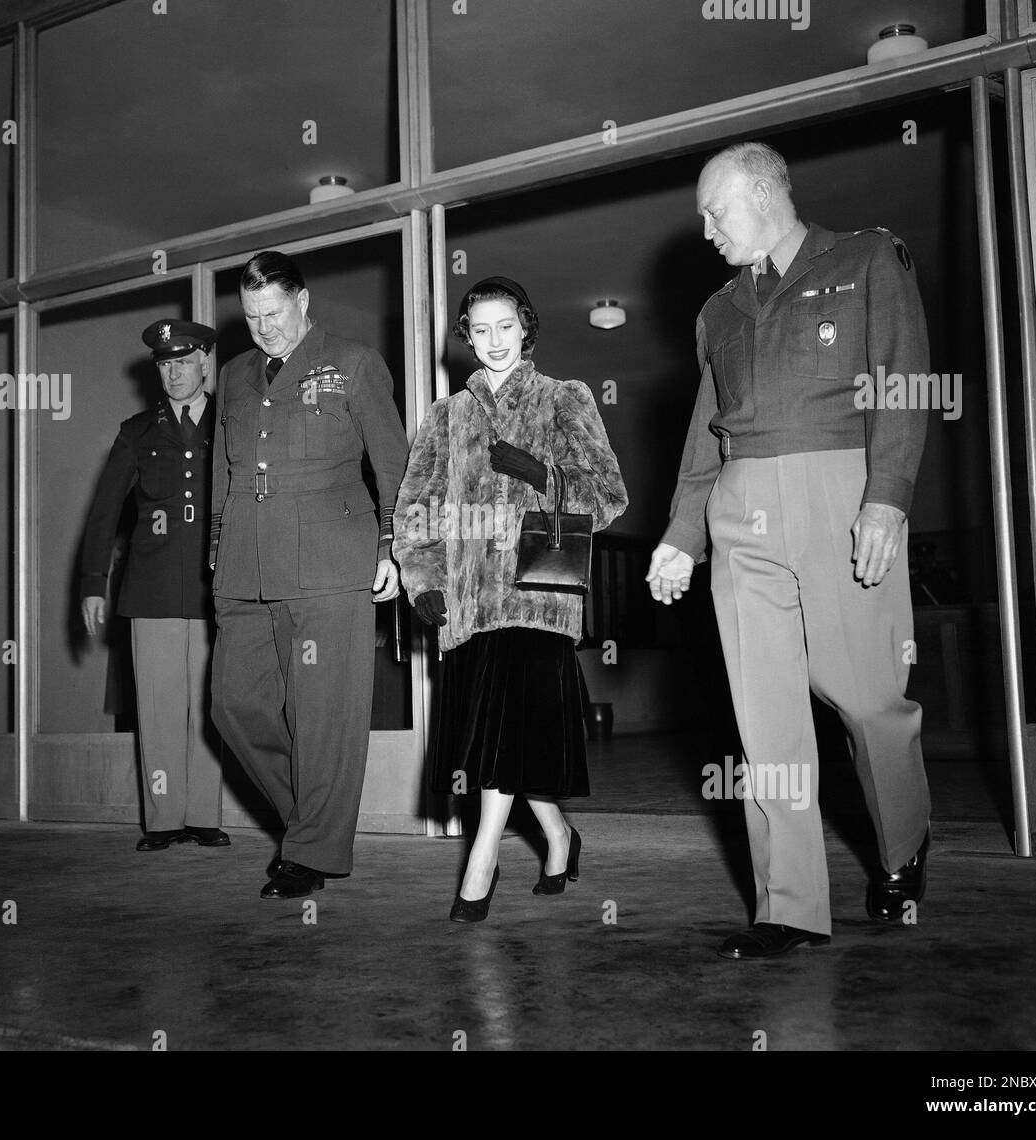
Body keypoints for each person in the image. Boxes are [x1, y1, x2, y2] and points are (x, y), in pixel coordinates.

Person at [647, 141, 932, 959]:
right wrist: (679, 536)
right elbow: (708, 436)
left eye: (716, 210)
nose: (706, 229)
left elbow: (901, 379)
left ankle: (902, 842)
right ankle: (790, 905)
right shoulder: (718, 313)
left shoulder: (868, 257)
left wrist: (888, 497)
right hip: (742, 506)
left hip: (842, 492)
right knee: (765, 718)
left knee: (869, 700)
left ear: (767, 193)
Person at [394, 276, 628, 922]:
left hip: (537, 598)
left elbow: (609, 496)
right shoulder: (446, 418)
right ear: (465, 339)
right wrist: (425, 583)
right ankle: (557, 835)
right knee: (501, 740)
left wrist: (539, 474)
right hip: (470, 604)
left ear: (526, 328)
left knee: (501, 735)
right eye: (480, 330)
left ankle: (482, 860)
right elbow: (417, 512)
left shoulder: (563, 400)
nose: (493, 341)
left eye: (506, 327)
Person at [210, 251, 408, 900]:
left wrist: (394, 545)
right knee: (234, 703)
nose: (263, 328)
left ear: (303, 301)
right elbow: (226, 471)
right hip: (245, 563)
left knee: (324, 716)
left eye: (274, 313)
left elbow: (392, 464)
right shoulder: (235, 375)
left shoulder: (352, 363)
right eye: (251, 317)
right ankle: (311, 821)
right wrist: (216, 542)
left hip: (332, 562)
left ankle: (310, 852)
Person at [80, 319, 227, 852]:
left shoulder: (232, 424)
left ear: (205, 363)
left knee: (211, 706)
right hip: (153, 588)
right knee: (160, 707)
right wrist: (94, 582)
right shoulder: (136, 432)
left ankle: (204, 815)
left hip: (217, 591)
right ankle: (164, 819)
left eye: (184, 362)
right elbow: (102, 514)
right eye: (165, 364)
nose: (174, 373)